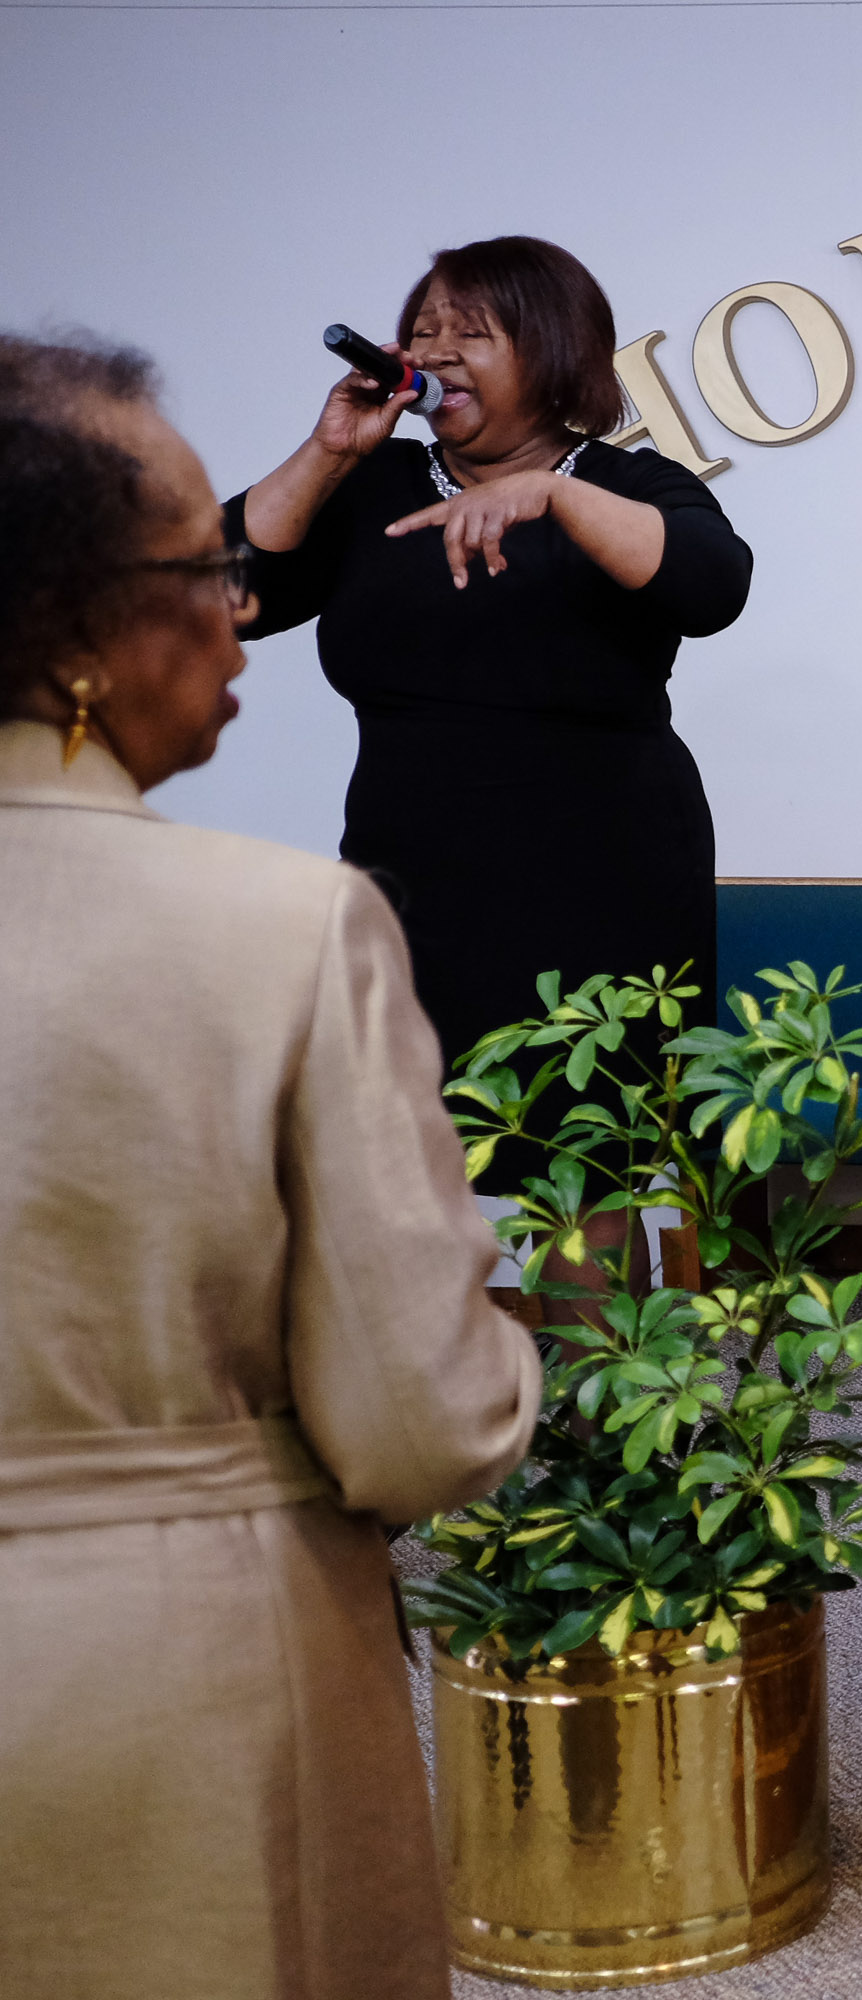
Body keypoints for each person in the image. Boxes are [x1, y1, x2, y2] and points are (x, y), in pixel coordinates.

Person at [0, 333, 542, 1995]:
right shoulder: (284, 930)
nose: (243, 606)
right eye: (207, 564)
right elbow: (419, 1421)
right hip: (171, 1691)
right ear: (80, 623)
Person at [229, 236, 753, 1259]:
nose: (439, 350)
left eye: (474, 332)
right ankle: (421, 1410)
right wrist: (330, 450)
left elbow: (712, 583)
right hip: (409, 879)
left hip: (603, 884)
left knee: (584, 1178)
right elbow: (223, 592)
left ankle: (608, 1416)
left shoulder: (628, 482)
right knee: (389, 1160)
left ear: (555, 351)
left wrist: (552, 495)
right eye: (424, 330)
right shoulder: (372, 484)